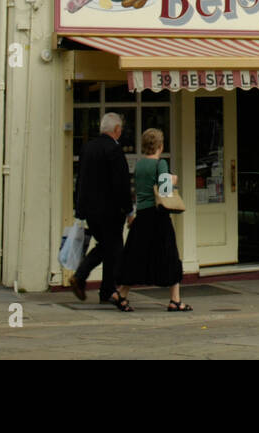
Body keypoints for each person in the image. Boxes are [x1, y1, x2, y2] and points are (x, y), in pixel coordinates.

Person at [116, 128, 191, 313]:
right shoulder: (161, 164)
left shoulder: (140, 165)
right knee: (170, 254)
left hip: (142, 216)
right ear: (160, 145)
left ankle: (121, 293)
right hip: (158, 216)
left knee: (137, 256)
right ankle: (175, 300)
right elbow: (165, 191)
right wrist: (173, 180)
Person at [69, 112, 133, 309]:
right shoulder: (114, 150)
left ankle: (106, 290)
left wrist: (79, 209)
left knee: (108, 247)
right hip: (111, 211)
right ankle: (81, 277)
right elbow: (121, 183)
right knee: (112, 248)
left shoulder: (88, 148)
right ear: (116, 130)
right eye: (120, 129)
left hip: (90, 211)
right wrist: (129, 210)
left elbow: (81, 180)